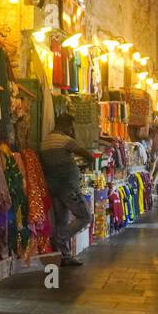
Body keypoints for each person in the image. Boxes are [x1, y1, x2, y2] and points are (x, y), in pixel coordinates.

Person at [39, 113, 93, 266]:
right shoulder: (64, 140)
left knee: (61, 220)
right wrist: (89, 160)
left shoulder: (46, 141)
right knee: (85, 216)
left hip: (53, 186)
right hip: (67, 186)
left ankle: (65, 256)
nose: (71, 130)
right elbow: (87, 154)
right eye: (70, 127)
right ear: (66, 125)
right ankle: (60, 237)